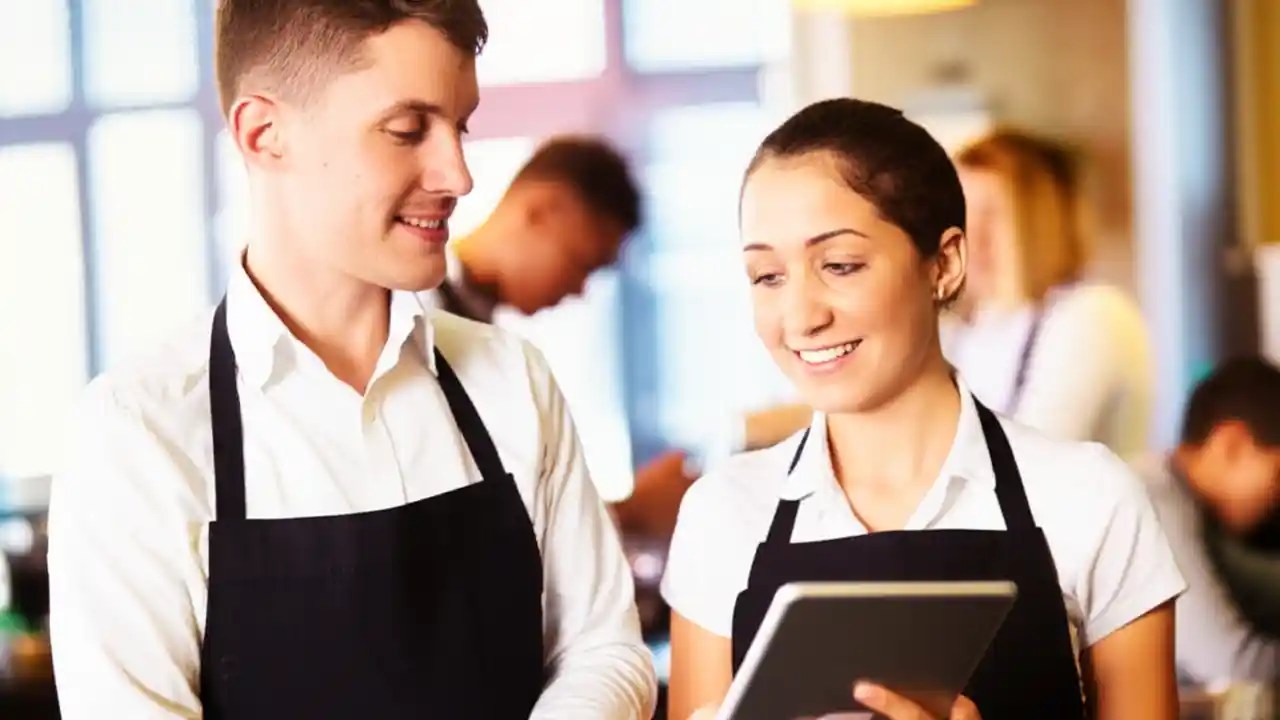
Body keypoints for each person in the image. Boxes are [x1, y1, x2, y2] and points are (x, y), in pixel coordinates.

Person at [45, 2, 656, 718]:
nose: (458, 174)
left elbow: (605, 653)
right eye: (407, 131)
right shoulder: (136, 431)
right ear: (263, 135)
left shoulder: (514, 380)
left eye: (461, 127)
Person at [660, 98, 1186, 719]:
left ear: (944, 263)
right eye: (767, 277)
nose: (801, 316)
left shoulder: (1091, 498)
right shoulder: (722, 514)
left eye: (840, 265)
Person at [944, 129, 1153, 461]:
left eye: (993, 214)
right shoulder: (968, 332)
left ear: (1041, 222)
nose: (972, 236)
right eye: (963, 213)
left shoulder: (1092, 316)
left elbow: (1029, 464)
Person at [1138, 356, 1280, 686]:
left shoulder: (1191, 507)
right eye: (1278, 475)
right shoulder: (1150, 501)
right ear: (1231, 445)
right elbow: (1228, 667)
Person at [422, 134, 641, 322]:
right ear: (541, 211)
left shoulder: (486, 342)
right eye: (580, 263)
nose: (579, 289)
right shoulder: (404, 302)